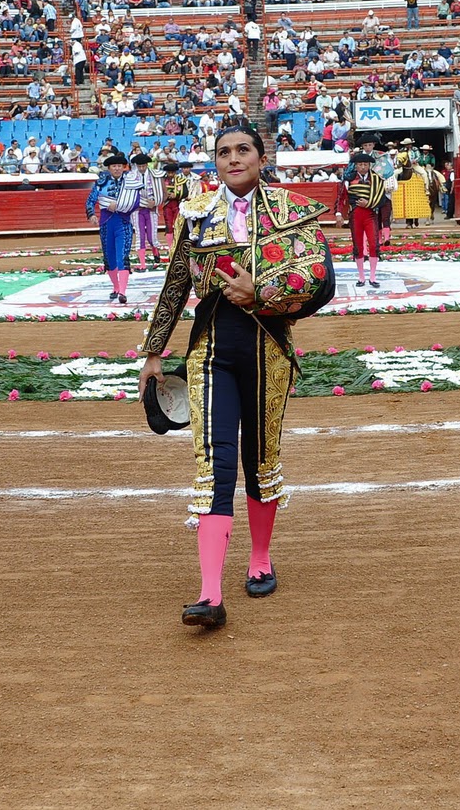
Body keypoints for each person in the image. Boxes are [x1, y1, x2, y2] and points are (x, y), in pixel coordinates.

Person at [138, 126, 334, 629]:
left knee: (261, 457)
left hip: (268, 347)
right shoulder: (196, 211)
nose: (232, 159)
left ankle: (260, 559)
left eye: (242, 150)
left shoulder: (293, 210)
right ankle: (209, 595)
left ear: (261, 157)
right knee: (216, 463)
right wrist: (154, 352)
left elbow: (320, 282)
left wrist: (261, 293)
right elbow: (176, 284)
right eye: (223, 153)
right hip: (211, 350)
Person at [86, 153, 141, 304]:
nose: (116, 169)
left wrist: (122, 206)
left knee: (122, 256)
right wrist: (91, 215)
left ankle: (122, 292)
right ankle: (116, 287)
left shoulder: (130, 182)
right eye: (113, 166)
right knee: (109, 258)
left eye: (119, 166)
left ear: (123, 168)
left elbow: (136, 202)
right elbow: (90, 201)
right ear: (109, 168)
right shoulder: (101, 182)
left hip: (123, 223)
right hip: (106, 224)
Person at [344, 151, 386, 287]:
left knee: (374, 245)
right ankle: (361, 277)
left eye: (365, 164)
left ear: (369, 165)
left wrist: (368, 203)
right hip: (355, 215)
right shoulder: (349, 179)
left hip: (370, 215)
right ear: (356, 166)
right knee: (358, 247)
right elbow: (345, 196)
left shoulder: (377, 179)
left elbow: (382, 199)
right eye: (360, 164)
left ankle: (372, 277)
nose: (363, 167)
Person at [132, 153, 166, 270]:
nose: (141, 168)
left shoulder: (156, 175)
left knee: (152, 237)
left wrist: (156, 202)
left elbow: (163, 193)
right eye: (139, 166)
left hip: (151, 209)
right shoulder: (131, 176)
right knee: (140, 236)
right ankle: (142, 263)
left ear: (147, 165)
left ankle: (156, 253)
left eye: (143, 166)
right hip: (137, 210)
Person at [394, 159, 431, 228]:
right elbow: (399, 160)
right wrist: (399, 164)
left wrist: (416, 161)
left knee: (425, 174)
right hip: (404, 167)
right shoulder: (402, 152)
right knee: (394, 173)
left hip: (414, 166)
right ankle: (394, 187)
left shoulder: (415, 150)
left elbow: (419, 158)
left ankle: (426, 188)